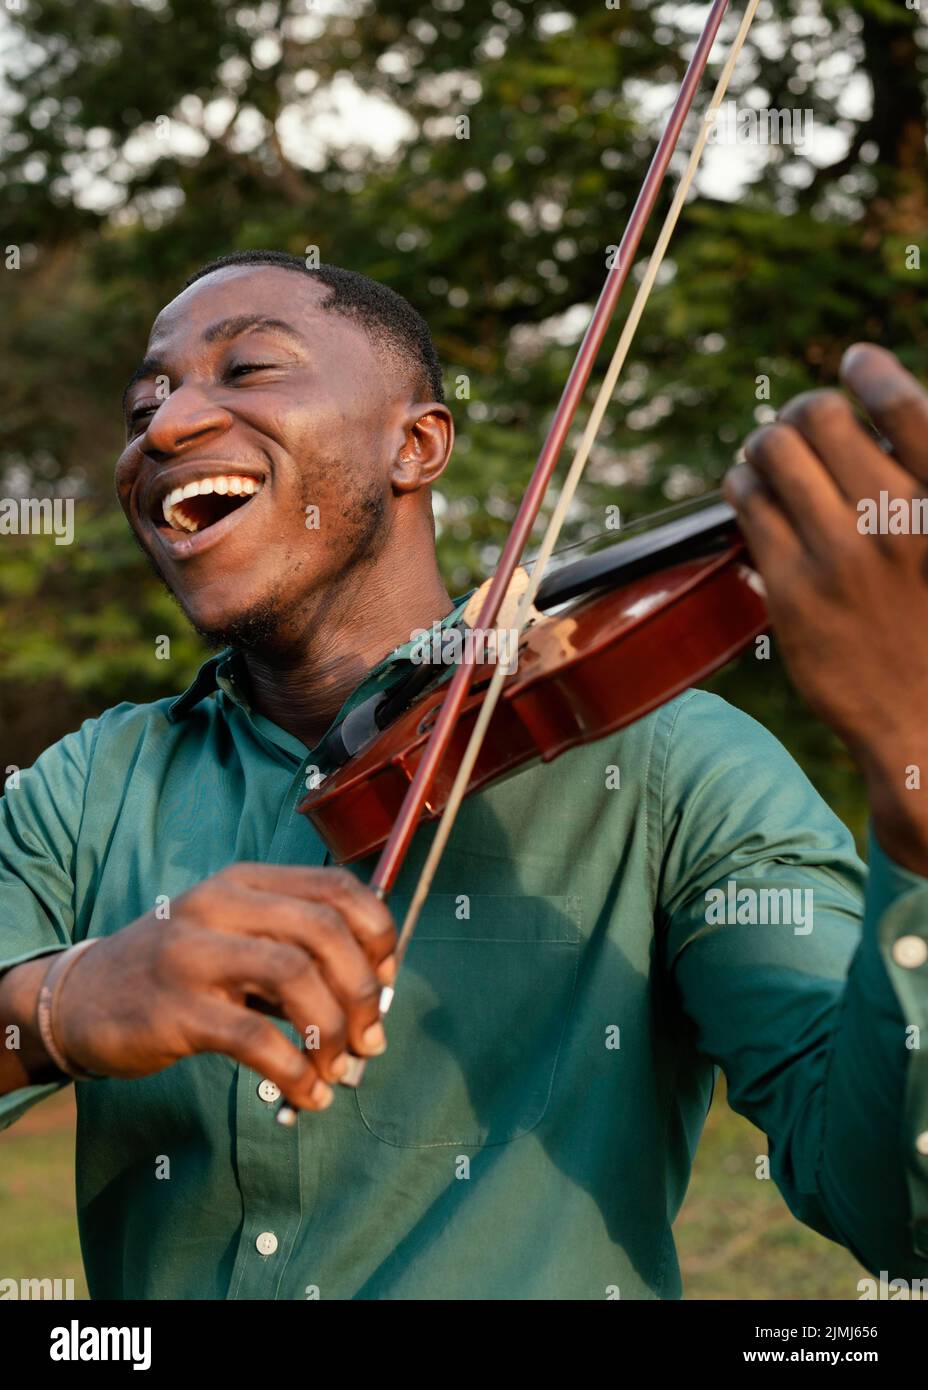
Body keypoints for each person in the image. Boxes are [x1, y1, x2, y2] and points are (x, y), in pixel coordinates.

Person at [0, 250, 926, 1300]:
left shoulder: (673, 765)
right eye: (145, 402)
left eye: (250, 368)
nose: (164, 428)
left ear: (416, 444)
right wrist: (61, 1001)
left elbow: (891, 1209)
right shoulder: (82, 788)